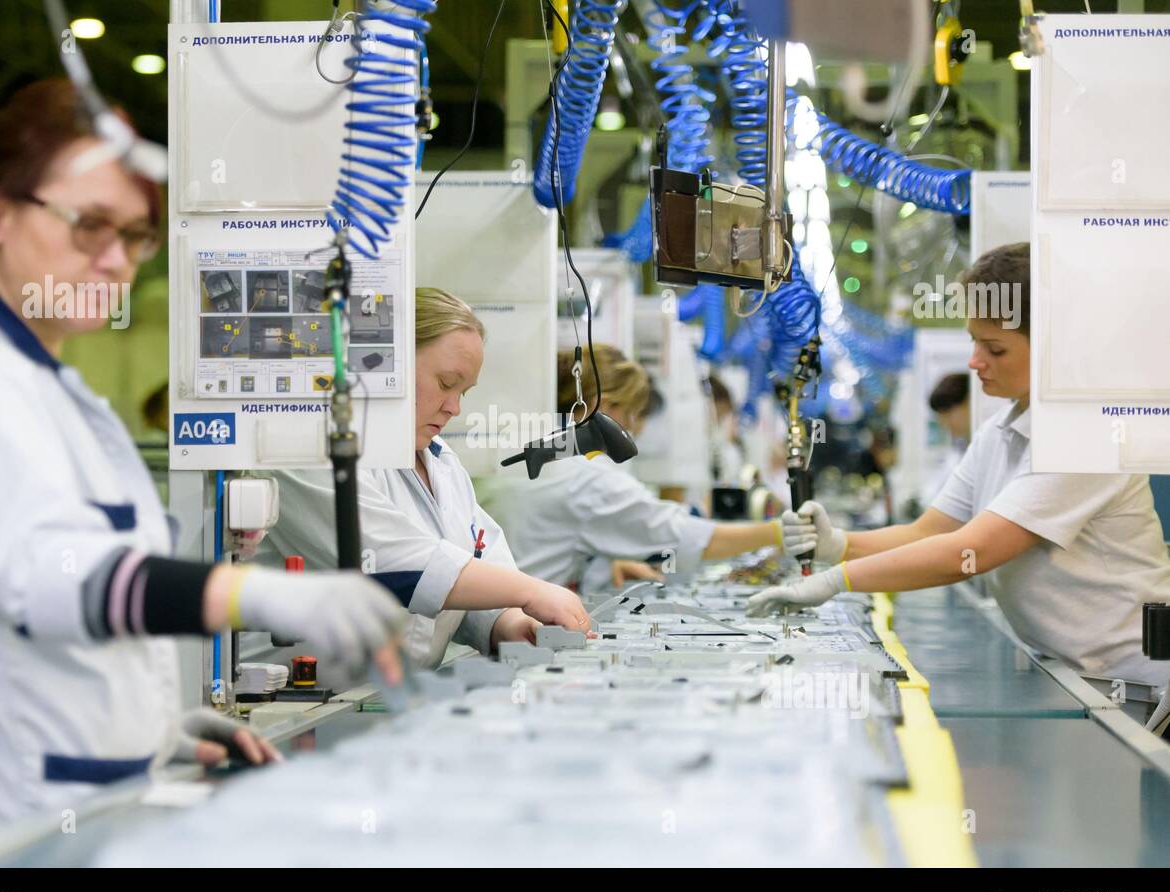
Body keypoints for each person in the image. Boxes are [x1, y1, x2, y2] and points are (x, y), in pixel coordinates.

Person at [0, 79, 405, 864]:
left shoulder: (52, 390)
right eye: (90, 226)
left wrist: (152, 729)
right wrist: (259, 593)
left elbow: (23, 631)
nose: (118, 260)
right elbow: (61, 578)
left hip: (68, 813)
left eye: (136, 235)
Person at [750, 243, 1170, 688]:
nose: (975, 362)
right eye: (973, 340)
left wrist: (838, 580)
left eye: (995, 348)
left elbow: (971, 553)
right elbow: (930, 533)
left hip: (1138, 685)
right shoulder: (1001, 429)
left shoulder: (1086, 435)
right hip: (1075, 673)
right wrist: (839, 544)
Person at [258, 287, 592, 670]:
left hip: (393, 700)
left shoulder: (439, 460)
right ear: (383, 365)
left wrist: (509, 622)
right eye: (446, 384)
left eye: (464, 392)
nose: (454, 408)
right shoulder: (308, 447)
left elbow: (476, 566)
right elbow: (392, 564)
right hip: (301, 705)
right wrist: (531, 591)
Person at [477, 344, 785, 594]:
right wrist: (781, 532)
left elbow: (545, 537)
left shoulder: (527, 445)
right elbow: (687, 537)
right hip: (514, 630)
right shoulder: (586, 475)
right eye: (634, 414)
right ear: (603, 406)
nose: (636, 430)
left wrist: (605, 567)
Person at [922, 372, 971, 504]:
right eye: (940, 416)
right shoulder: (958, 450)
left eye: (947, 412)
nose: (943, 422)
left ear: (969, 402)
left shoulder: (988, 447)